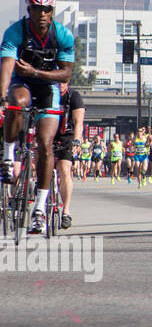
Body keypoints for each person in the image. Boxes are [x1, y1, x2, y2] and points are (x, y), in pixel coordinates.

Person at [1, 0, 76, 234]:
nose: (41, 14)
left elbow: (65, 74)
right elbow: (7, 65)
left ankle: (40, 210)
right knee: (16, 101)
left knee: (45, 144)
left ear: (52, 11)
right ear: (29, 9)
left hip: (47, 87)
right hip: (21, 83)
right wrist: (2, 95)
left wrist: (35, 72)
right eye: (36, 9)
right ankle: (9, 156)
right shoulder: (16, 31)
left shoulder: (62, 35)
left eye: (46, 9)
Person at [51, 81, 84, 230]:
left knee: (64, 169)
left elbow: (78, 122)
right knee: (40, 166)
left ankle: (66, 211)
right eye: (57, 82)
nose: (60, 85)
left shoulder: (73, 96)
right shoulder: (47, 92)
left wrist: (76, 141)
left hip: (66, 137)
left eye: (63, 82)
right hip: (47, 135)